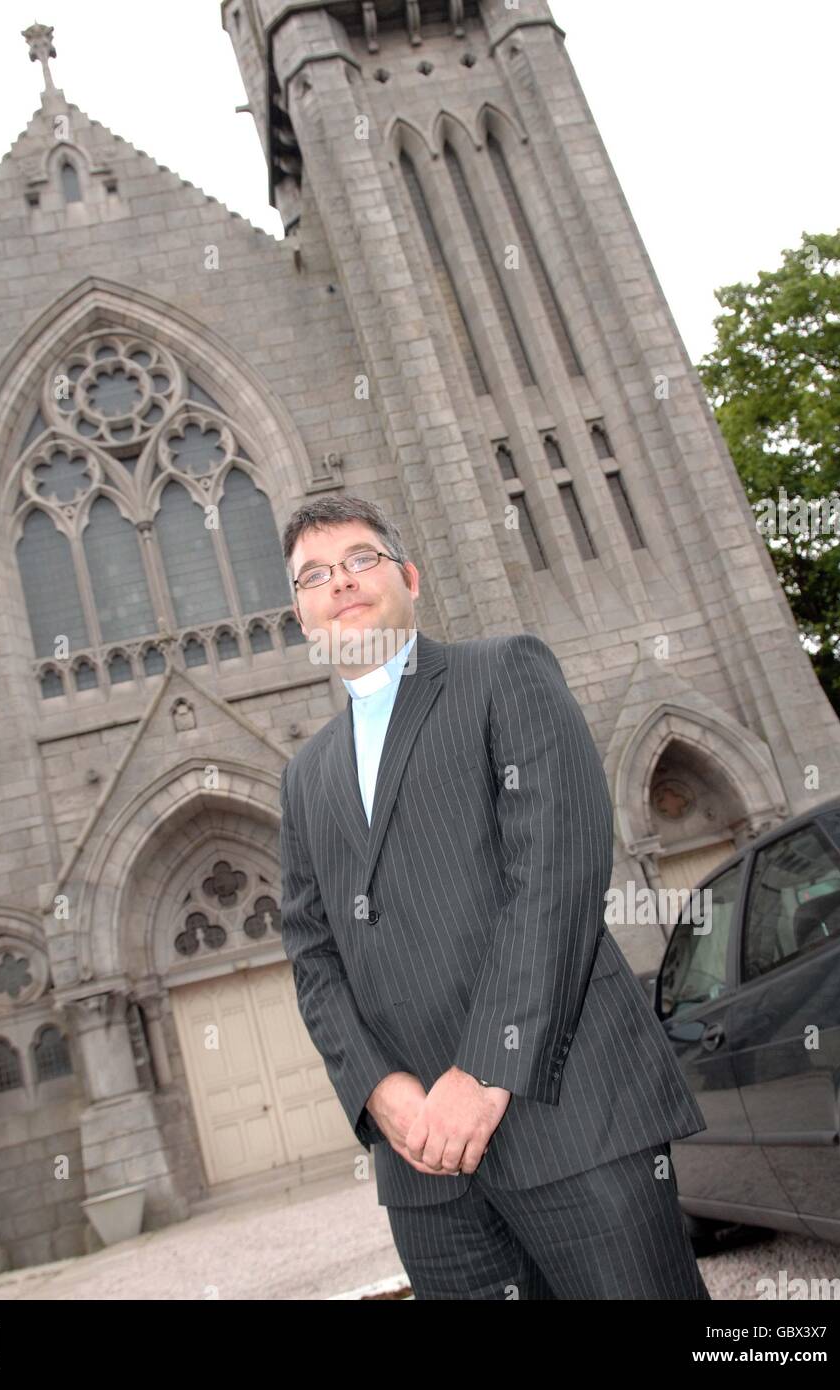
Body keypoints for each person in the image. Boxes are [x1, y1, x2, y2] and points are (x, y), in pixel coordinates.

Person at [278, 495, 710, 1300]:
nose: (339, 582)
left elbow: (557, 872)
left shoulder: (502, 671)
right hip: (423, 1171)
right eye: (313, 576)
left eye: (361, 559)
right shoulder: (305, 777)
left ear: (410, 576)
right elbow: (312, 954)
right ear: (301, 616)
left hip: (571, 1121)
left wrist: (483, 1075)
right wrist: (380, 1092)